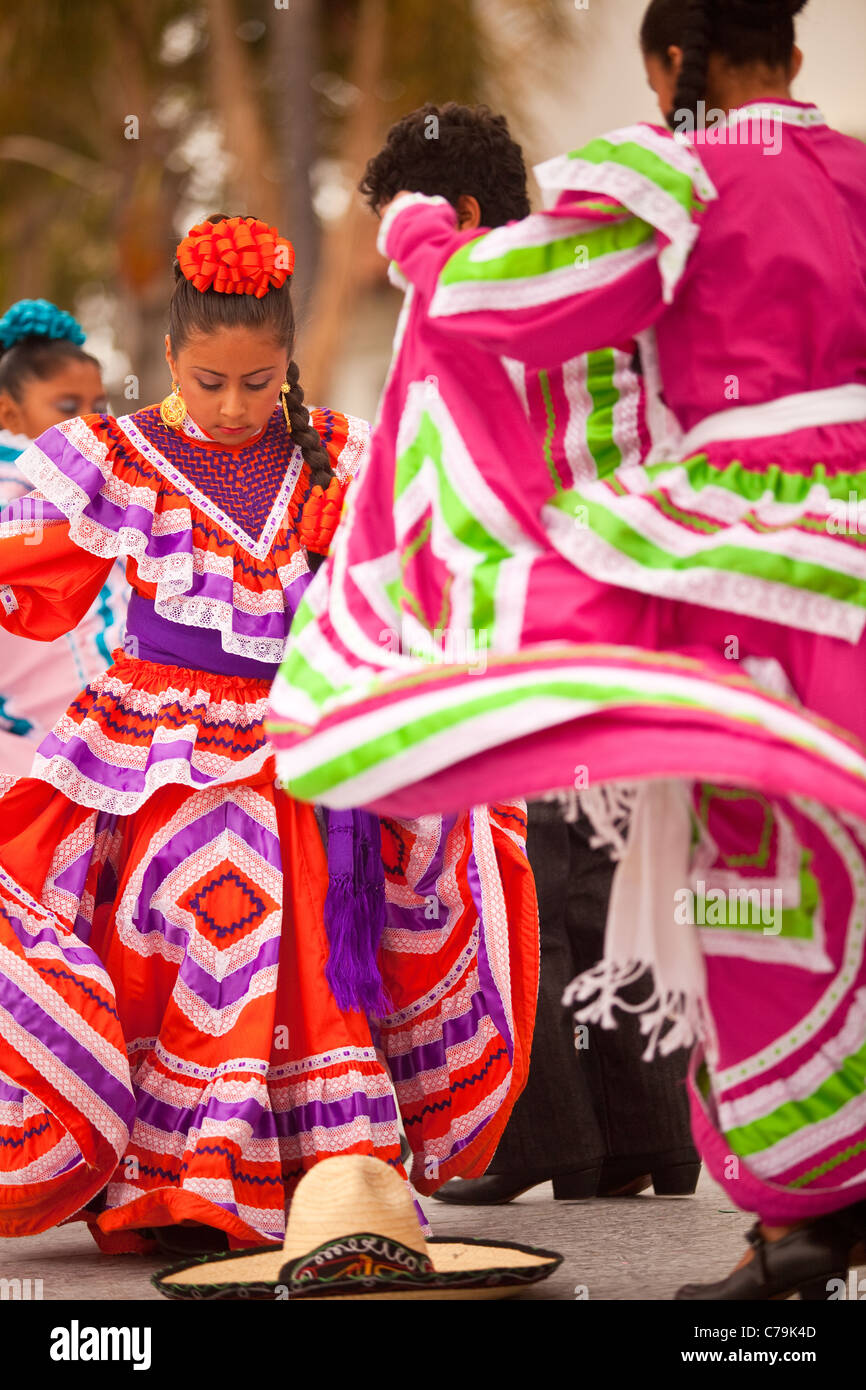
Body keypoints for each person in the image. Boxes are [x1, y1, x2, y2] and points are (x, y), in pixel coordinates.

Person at [268, 0, 866, 1298]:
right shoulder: (854, 166)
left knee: (755, 885)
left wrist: (428, 244)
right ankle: (797, 1211)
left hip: (749, 567)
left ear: (669, 65)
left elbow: (518, 304)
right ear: (796, 54)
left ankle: (802, 1210)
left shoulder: (679, 169)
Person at [0, 215, 538, 1255]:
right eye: (208, 382)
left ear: (287, 358)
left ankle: (305, 1180)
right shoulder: (112, 461)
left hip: (303, 746)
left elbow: (411, 573)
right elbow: (29, 577)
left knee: (313, 952)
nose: (234, 405)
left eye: (256, 381)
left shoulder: (336, 455)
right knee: (192, 934)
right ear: (168, 357)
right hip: (156, 751)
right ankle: (177, 1179)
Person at [358, 100, 698, 1205]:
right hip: (617, 608)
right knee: (608, 875)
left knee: (527, 883)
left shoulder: (469, 298)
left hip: (515, 618)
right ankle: (647, 1134)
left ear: (451, 214)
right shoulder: (585, 277)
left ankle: (534, 1136)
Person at [0, 299, 126, 777]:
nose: (88, 420)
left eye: (99, 405)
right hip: (33, 731)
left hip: (105, 714)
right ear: (9, 414)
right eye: (67, 407)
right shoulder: (15, 492)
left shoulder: (108, 483)